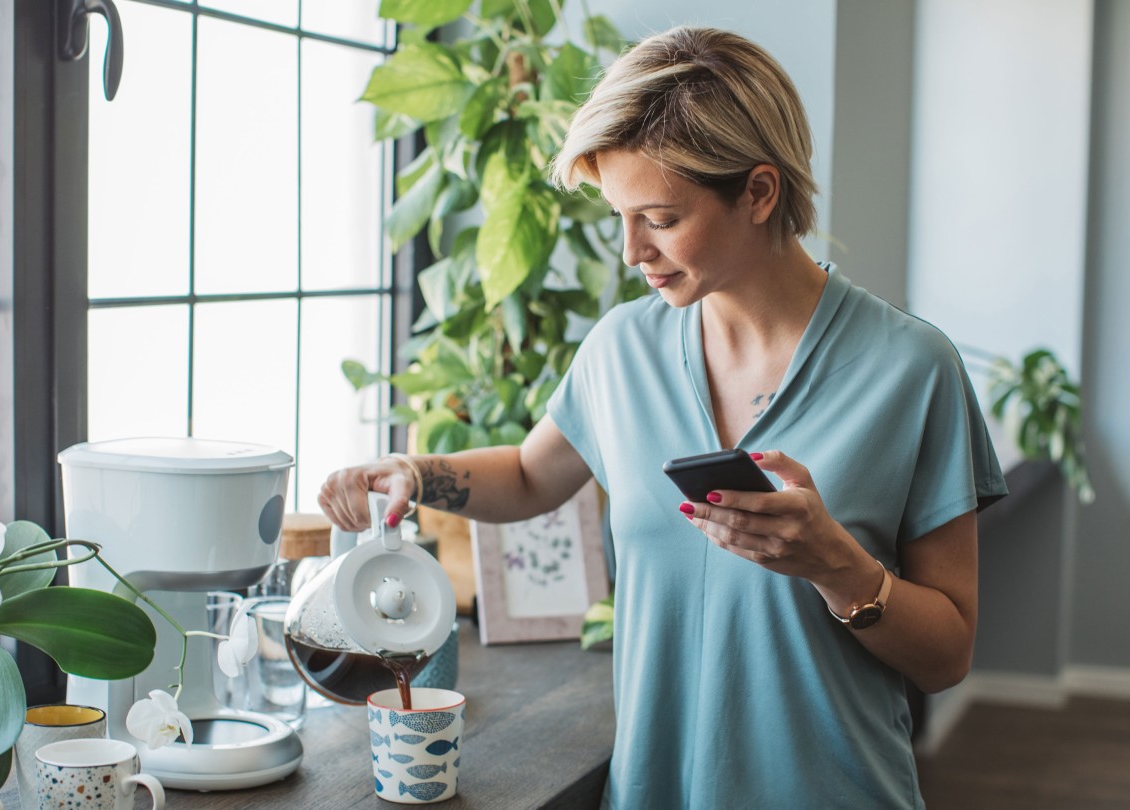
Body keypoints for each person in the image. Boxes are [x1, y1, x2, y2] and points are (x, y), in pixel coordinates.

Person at [319, 26, 1007, 809]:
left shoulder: (912, 369)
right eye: (619, 216)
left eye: (660, 218)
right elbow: (527, 476)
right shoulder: (621, 348)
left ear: (758, 192)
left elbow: (947, 652)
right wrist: (415, 473)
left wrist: (835, 566)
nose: (630, 251)